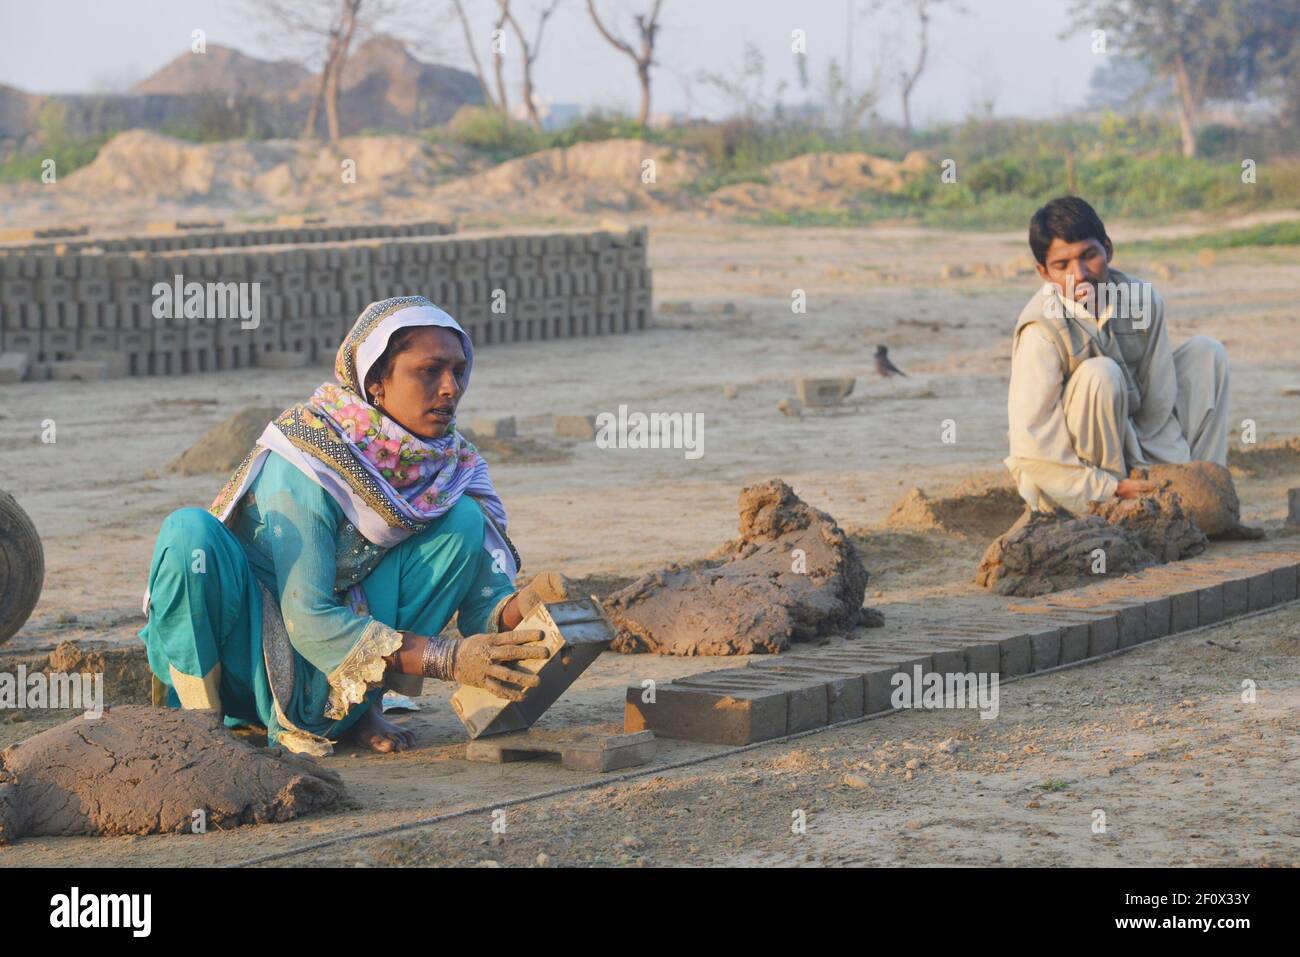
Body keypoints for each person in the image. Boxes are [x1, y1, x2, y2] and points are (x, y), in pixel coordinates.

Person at [139, 296, 573, 754]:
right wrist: (445, 659)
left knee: (464, 518)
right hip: (243, 657)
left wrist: (526, 604)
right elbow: (307, 617)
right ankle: (198, 737)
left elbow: (481, 608)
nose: (451, 388)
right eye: (429, 371)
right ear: (376, 382)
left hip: (324, 682)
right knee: (190, 534)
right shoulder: (308, 459)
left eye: (459, 371)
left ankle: (353, 710)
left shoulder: (445, 468)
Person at [1004, 196, 1230, 517]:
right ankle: (1113, 511)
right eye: (1062, 265)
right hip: (1074, 480)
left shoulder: (1140, 300)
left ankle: (1203, 494)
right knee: (1101, 373)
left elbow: (1158, 408)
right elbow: (1032, 445)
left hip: (1138, 446)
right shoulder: (1040, 329)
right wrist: (1109, 488)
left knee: (1207, 354)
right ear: (1044, 272)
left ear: (1108, 249)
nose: (1079, 274)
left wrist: (1176, 478)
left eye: (1089, 255)